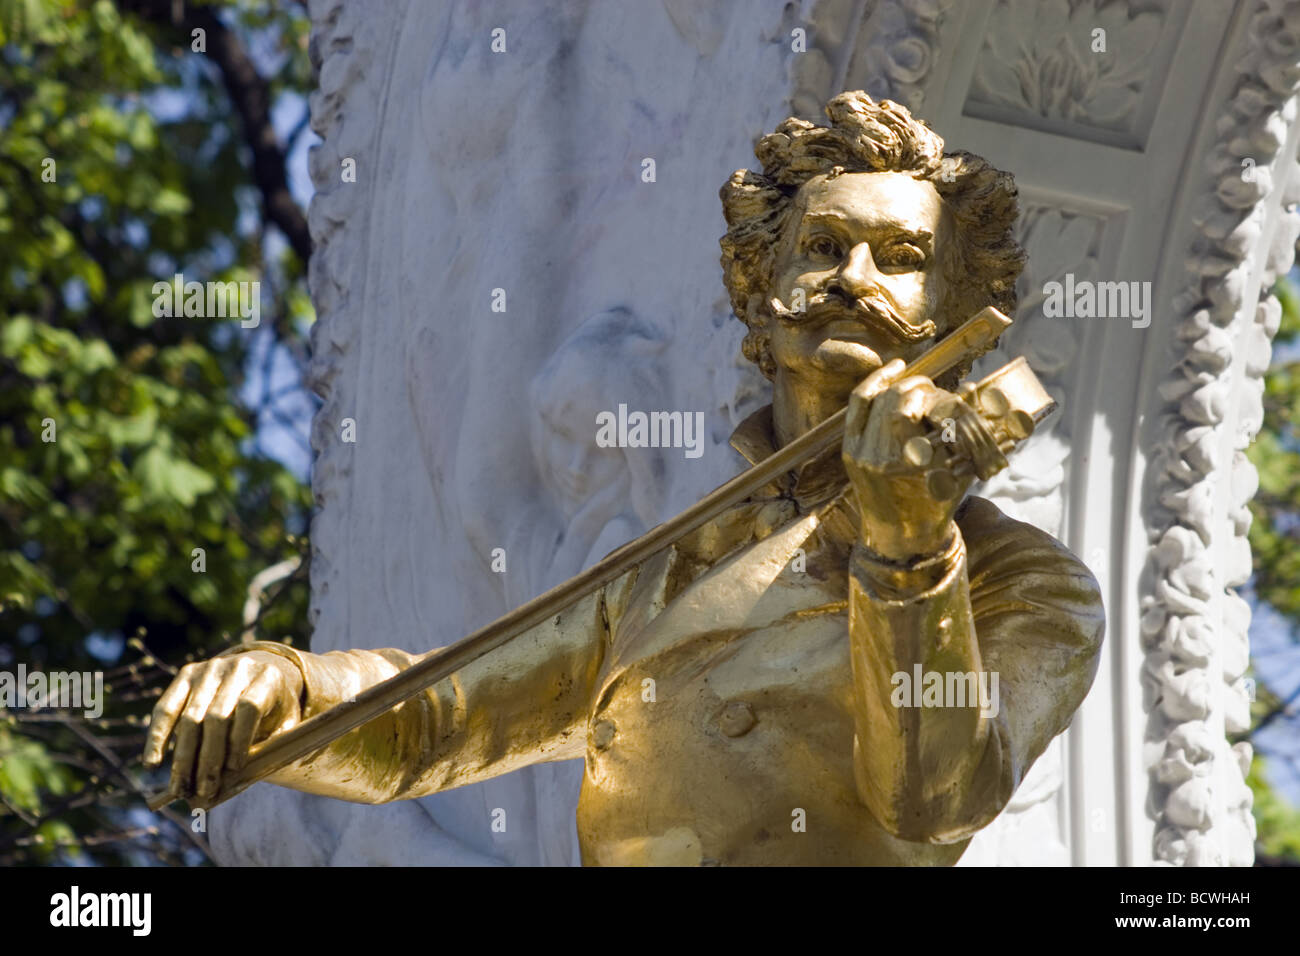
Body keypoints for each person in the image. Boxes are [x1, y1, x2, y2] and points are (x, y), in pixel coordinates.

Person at [144, 91, 1104, 865]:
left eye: (901, 260)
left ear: (952, 317)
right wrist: (288, 687)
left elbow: (934, 800)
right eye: (820, 247)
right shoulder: (667, 563)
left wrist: (906, 545)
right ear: (757, 300)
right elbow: (442, 716)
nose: (853, 277)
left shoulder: (1020, 581)